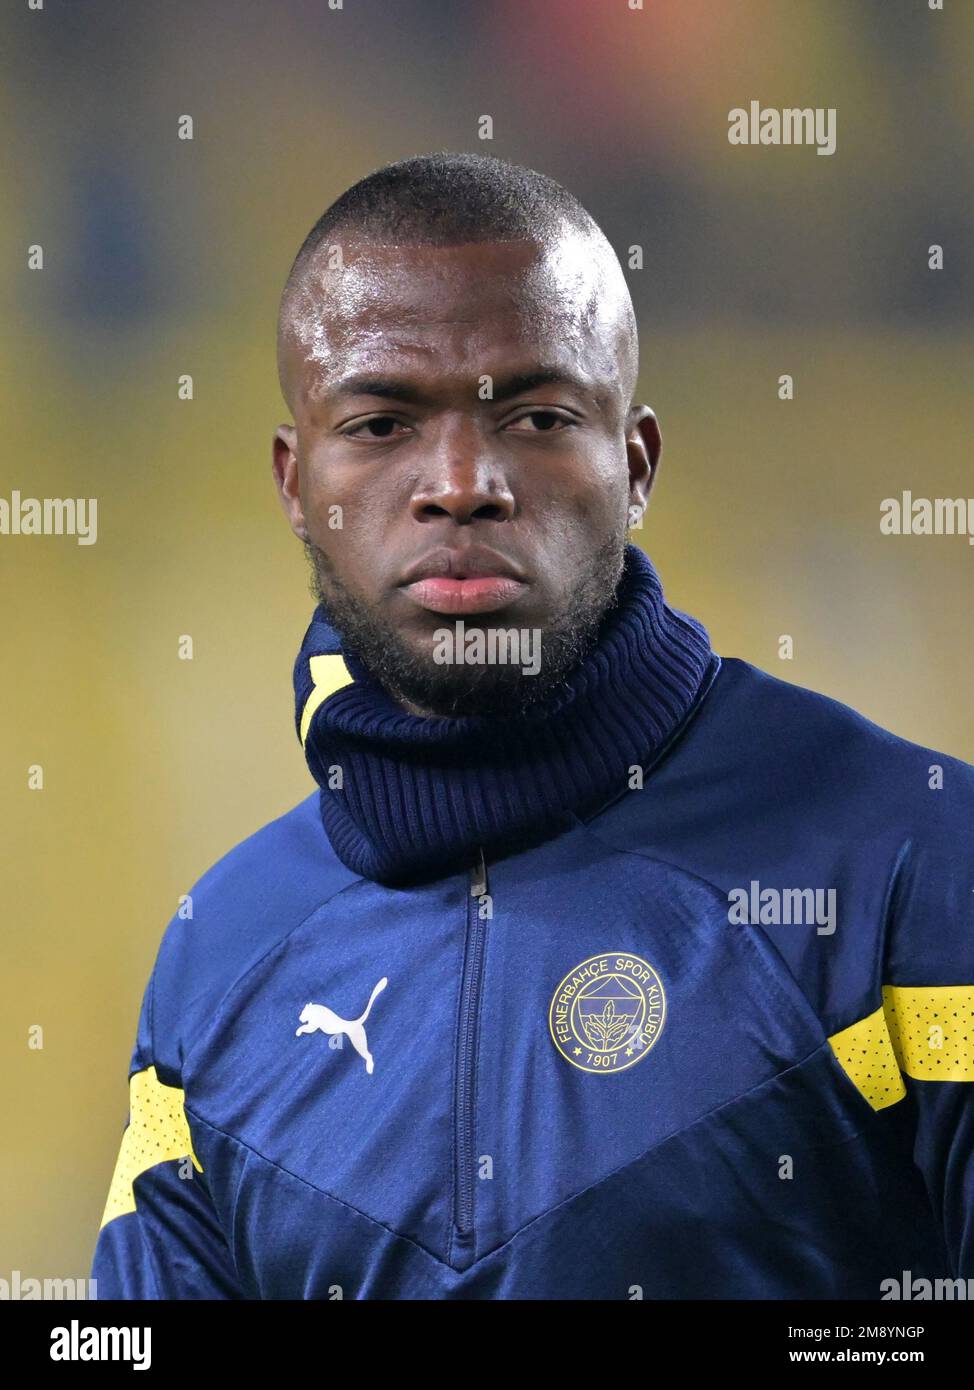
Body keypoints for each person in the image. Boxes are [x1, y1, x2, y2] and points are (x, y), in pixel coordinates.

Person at [92, 152, 974, 1299]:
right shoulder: (218, 960)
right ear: (294, 479)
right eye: (380, 423)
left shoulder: (915, 865)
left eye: (539, 414)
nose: (462, 481)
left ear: (636, 464)